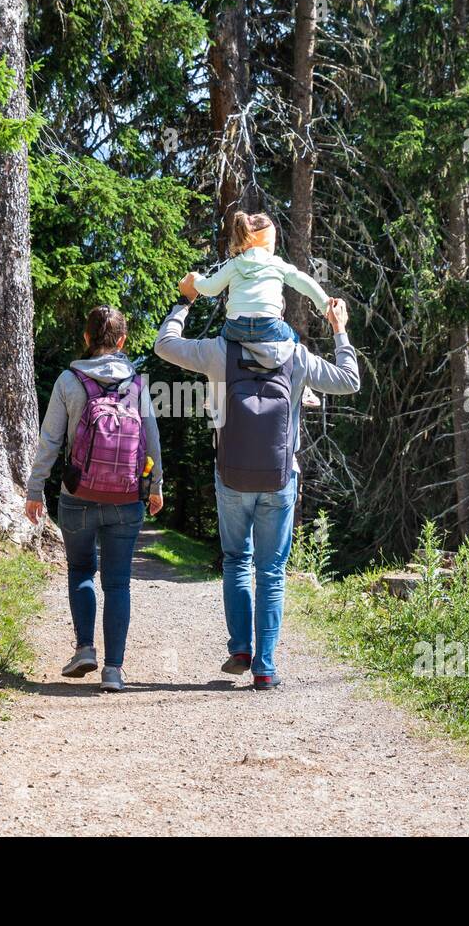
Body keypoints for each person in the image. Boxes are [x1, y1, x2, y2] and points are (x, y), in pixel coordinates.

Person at [153, 281, 359, 690]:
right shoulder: (297, 356)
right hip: (280, 477)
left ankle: (240, 650)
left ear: (234, 310)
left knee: (236, 560)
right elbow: (350, 380)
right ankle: (265, 667)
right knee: (271, 571)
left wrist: (186, 300)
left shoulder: (217, 352)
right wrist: (338, 327)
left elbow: (165, 344)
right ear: (279, 313)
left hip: (230, 474)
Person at [25, 305, 163, 693]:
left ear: (86, 339)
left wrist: (35, 490)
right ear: (121, 342)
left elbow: (50, 440)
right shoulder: (137, 384)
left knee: (81, 570)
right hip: (126, 498)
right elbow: (151, 438)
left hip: (77, 495)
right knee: (117, 584)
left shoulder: (69, 381)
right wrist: (156, 487)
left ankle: (85, 648)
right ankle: (114, 671)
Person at [178, 210, 335, 346]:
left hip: (235, 327)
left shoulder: (234, 264)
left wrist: (195, 278)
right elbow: (303, 281)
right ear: (267, 241)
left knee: (224, 339)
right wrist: (324, 305)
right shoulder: (276, 263)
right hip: (269, 325)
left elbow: (210, 289)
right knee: (293, 341)